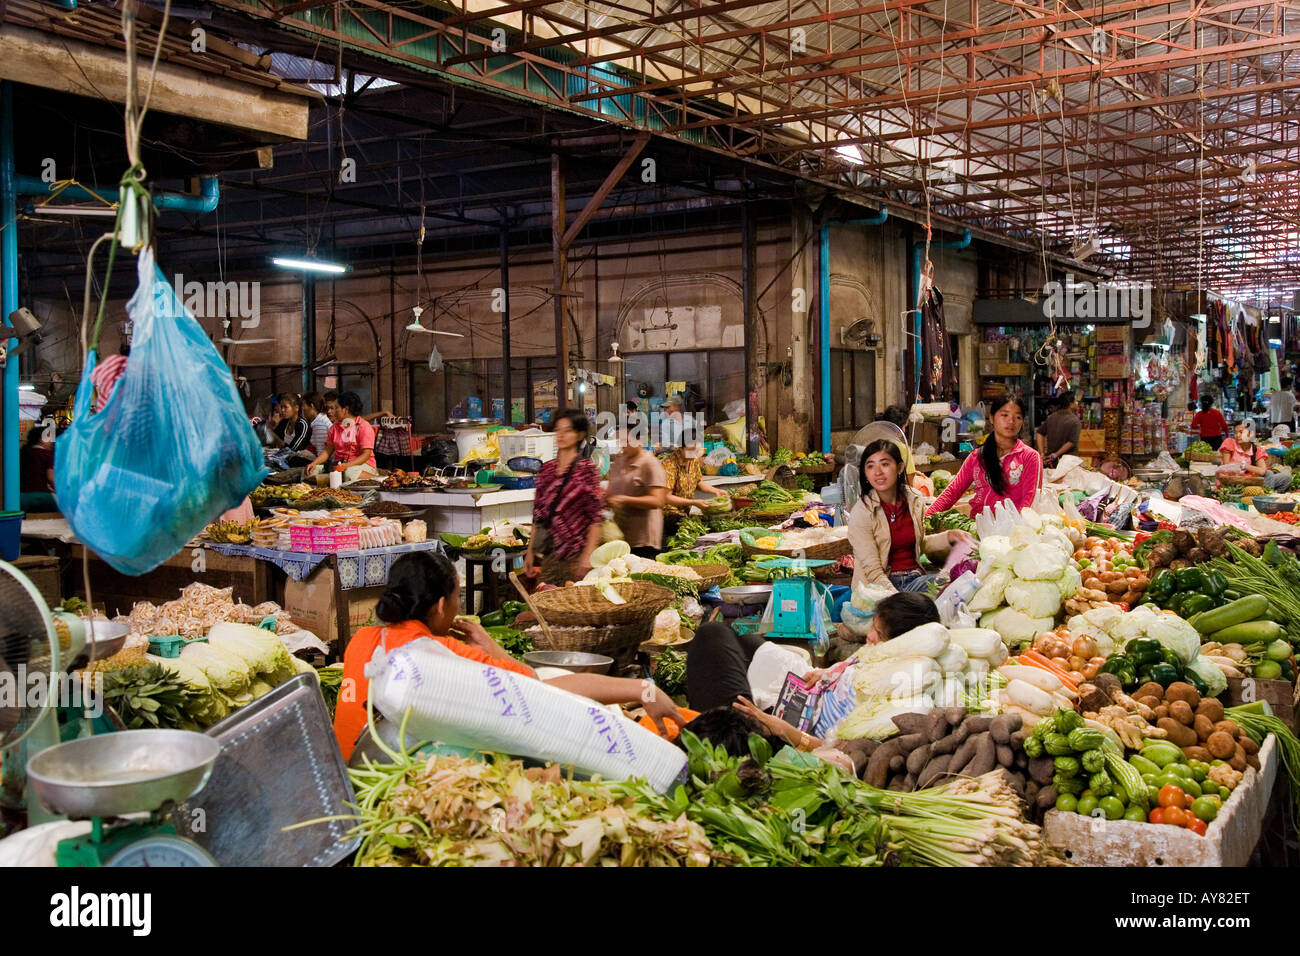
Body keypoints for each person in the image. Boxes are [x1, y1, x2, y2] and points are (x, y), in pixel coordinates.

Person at [333, 551, 686, 760]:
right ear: (442, 605)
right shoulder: (443, 654)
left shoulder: (361, 640)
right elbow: (547, 689)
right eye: (457, 597)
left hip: (352, 771)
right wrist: (644, 690)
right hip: (399, 784)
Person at [686, 592, 941, 713]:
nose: (870, 637)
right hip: (815, 686)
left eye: (879, 634)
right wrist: (827, 672)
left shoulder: (888, 683)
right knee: (744, 640)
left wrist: (763, 720)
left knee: (711, 636)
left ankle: (726, 726)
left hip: (797, 717)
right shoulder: (879, 656)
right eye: (873, 628)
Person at [848, 438, 969, 594]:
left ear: (899, 468)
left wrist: (950, 536)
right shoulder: (862, 511)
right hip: (880, 587)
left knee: (964, 582)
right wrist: (899, 600)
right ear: (865, 472)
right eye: (870, 466)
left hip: (914, 580)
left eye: (885, 464)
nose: (878, 472)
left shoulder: (914, 500)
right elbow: (873, 571)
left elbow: (918, 545)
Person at [926, 394, 1041, 518]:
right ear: (991, 418)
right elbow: (953, 491)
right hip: (977, 527)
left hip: (1011, 530)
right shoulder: (977, 456)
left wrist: (1012, 529)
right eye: (1005, 415)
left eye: (1017, 417)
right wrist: (926, 518)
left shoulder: (1030, 457)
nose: (1011, 421)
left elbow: (1029, 502)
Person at [523, 409, 603, 585]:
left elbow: (596, 518)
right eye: (558, 430)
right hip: (551, 555)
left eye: (567, 430)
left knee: (575, 606)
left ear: (579, 434)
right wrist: (530, 552)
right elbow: (538, 516)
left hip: (577, 555)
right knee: (545, 605)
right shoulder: (547, 470)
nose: (561, 435)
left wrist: (588, 555)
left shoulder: (587, 470)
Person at [606, 424, 667, 557]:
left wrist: (625, 500)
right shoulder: (618, 461)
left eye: (626, 440)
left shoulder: (650, 464)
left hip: (644, 540)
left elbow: (658, 500)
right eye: (619, 441)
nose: (622, 445)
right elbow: (612, 491)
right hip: (621, 536)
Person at [661, 438, 725, 540]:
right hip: (668, 514)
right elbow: (666, 497)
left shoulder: (693, 460)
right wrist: (694, 502)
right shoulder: (668, 464)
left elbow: (698, 482)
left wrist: (715, 490)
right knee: (689, 534)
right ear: (680, 448)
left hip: (684, 511)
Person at [306, 390, 378, 480]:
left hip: (362, 466)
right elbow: (327, 451)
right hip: (339, 466)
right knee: (310, 472)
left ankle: (377, 478)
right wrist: (314, 463)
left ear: (345, 410)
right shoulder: (334, 427)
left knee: (349, 473)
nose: (333, 411)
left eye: (336, 408)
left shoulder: (363, 426)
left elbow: (366, 455)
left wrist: (347, 465)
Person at [1035, 390, 1082, 469]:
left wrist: (1042, 453)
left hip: (1051, 463)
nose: (1077, 403)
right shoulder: (1075, 421)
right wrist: (1056, 454)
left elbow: (1039, 433)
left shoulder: (1051, 417)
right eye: (1076, 401)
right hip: (1068, 464)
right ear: (1070, 404)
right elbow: (1072, 442)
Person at [19, 423, 57, 512]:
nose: (51, 441)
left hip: (23, 496)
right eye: (49, 437)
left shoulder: (23, 453)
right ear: (41, 439)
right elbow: (51, 478)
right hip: (43, 496)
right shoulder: (47, 454)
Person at [301, 391, 331, 456]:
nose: (302, 409)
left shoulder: (319, 423)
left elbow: (321, 451)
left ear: (312, 406)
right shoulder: (320, 419)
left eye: (304, 406)